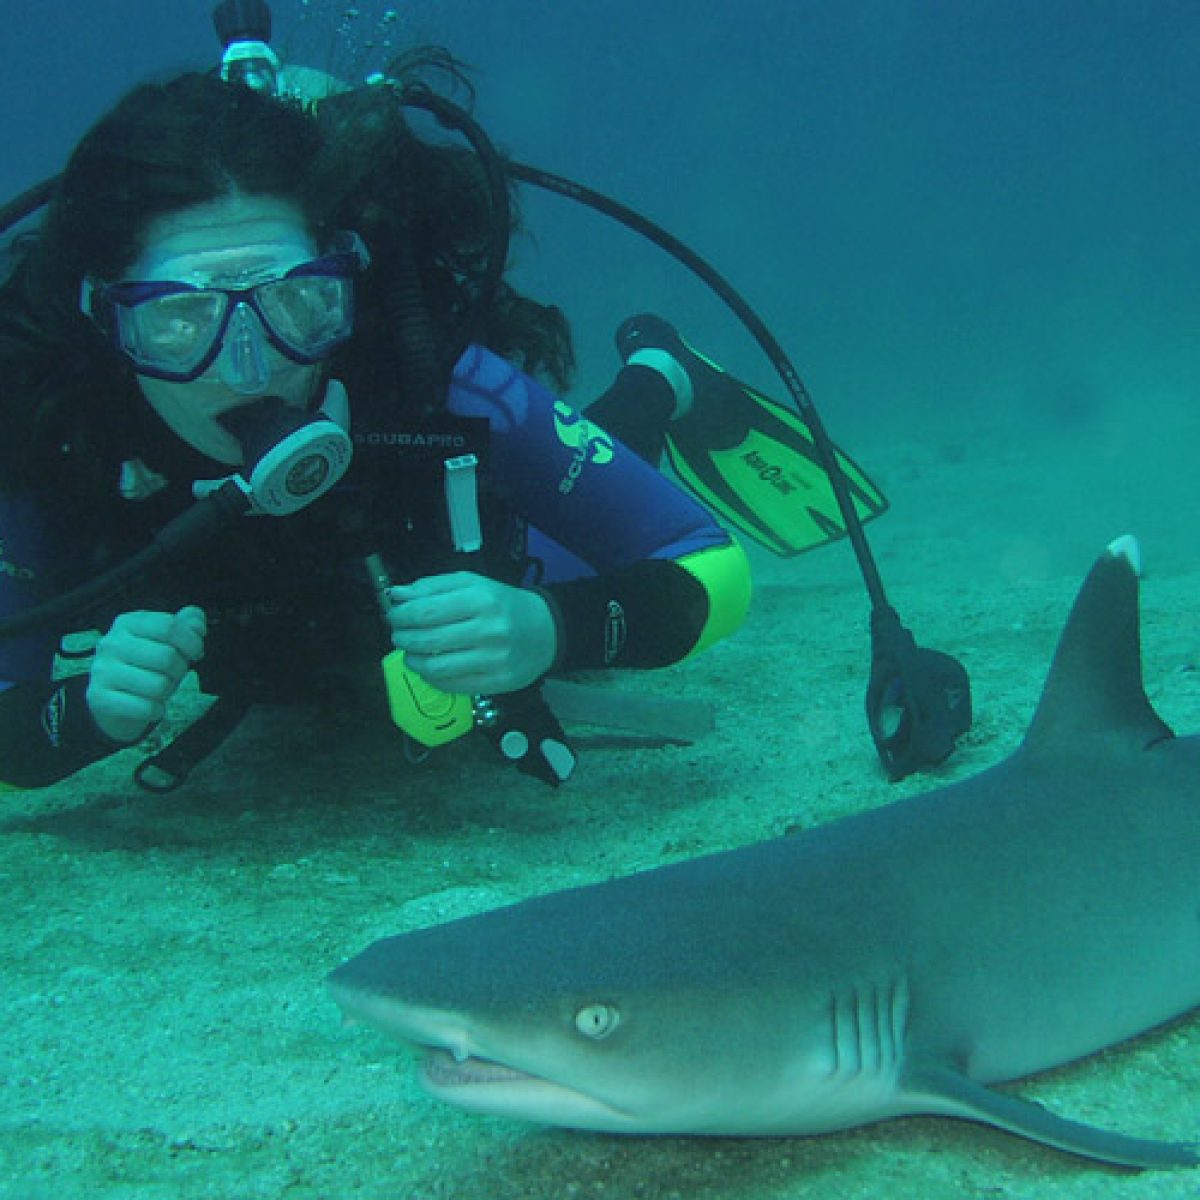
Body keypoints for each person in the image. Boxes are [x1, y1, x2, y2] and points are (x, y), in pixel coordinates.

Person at [0, 60, 753, 791]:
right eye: (179, 321)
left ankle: (658, 375)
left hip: (484, 589)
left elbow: (712, 566)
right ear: (102, 318)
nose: (249, 369)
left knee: (569, 542)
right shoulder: (51, 434)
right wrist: (87, 716)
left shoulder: (427, 376)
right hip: (312, 667)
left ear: (344, 284)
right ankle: (657, 372)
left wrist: (552, 627)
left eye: (297, 304)